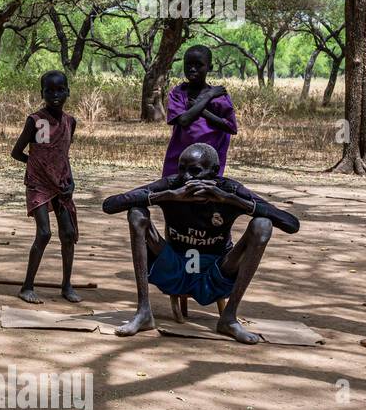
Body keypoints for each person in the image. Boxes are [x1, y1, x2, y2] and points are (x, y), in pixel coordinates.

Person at [102, 142, 300, 344]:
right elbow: (110, 205)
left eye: (195, 171)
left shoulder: (229, 189)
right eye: (182, 170)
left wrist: (232, 200)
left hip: (216, 274)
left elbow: (291, 224)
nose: (187, 178)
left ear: (214, 172)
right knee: (136, 213)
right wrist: (168, 196)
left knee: (263, 225)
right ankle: (143, 311)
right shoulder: (173, 185)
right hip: (173, 268)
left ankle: (229, 318)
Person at [11, 71, 80, 304]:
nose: (55, 95)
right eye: (49, 90)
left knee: (68, 234)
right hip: (39, 183)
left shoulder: (70, 122)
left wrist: (70, 180)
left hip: (61, 184)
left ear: (68, 91)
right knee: (44, 233)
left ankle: (67, 285)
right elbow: (17, 152)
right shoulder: (36, 121)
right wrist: (36, 167)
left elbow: (63, 155)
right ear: (42, 93)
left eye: (60, 90)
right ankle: (27, 286)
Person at [163, 44, 237, 177]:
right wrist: (208, 97)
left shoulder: (219, 96)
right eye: (188, 64)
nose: (192, 69)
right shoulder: (179, 93)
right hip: (180, 156)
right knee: (172, 190)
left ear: (210, 67)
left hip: (208, 160)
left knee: (205, 192)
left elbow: (231, 128)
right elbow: (184, 120)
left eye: (198, 65)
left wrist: (203, 110)